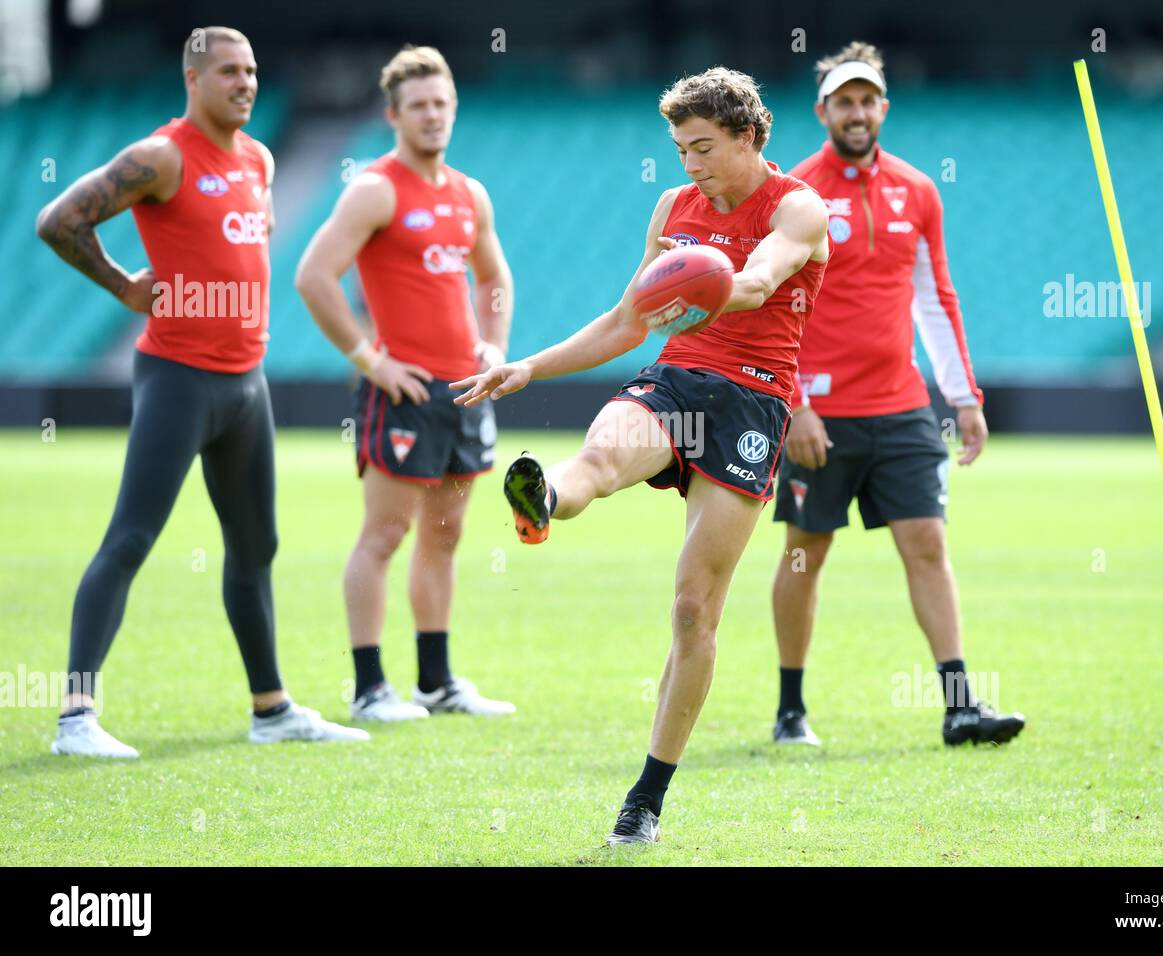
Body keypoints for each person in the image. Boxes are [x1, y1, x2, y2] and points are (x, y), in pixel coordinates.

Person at [453, 68, 830, 844]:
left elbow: (758, 281)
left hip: (754, 402)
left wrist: (707, 279)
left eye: (703, 148)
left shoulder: (797, 206)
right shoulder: (674, 208)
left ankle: (646, 799)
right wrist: (529, 366)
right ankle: (542, 500)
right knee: (593, 464)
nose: (689, 165)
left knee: (695, 609)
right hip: (675, 380)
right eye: (680, 149)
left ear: (750, 137)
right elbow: (630, 321)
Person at [36, 26, 369, 757]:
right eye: (228, 71)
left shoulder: (260, 157)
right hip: (178, 380)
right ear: (194, 80)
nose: (246, 82)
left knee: (256, 547)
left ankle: (271, 707)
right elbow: (57, 221)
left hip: (247, 384)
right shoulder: (161, 157)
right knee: (130, 538)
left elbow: (248, 237)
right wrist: (125, 285)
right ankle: (75, 719)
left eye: (251, 70)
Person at [771, 42, 1025, 748]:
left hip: (902, 405)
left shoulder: (918, 190)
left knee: (927, 544)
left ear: (883, 108)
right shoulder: (793, 193)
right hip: (819, 412)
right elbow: (772, 307)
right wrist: (794, 404)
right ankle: (791, 710)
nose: (856, 112)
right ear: (823, 110)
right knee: (805, 552)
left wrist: (963, 398)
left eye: (867, 100)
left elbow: (935, 297)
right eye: (843, 101)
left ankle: (959, 705)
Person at [296, 46, 515, 721]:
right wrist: (373, 361)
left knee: (444, 536)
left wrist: (494, 348)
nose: (432, 116)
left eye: (441, 104)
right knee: (384, 534)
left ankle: (436, 682)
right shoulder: (375, 188)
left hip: (463, 391)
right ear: (393, 114)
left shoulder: (468, 193)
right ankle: (368, 690)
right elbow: (312, 276)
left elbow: (495, 279)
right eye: (418, 106)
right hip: (402, 393)